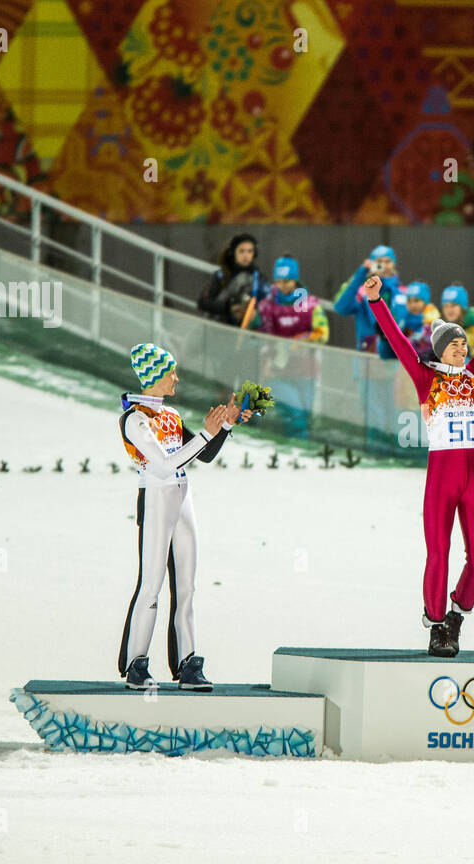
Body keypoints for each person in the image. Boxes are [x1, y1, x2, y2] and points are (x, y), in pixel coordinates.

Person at [365, 264, 474, 657]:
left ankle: (457, 614)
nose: (462, 348)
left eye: (464, 343)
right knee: (439, 553)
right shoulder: (425, 378)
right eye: (454, 343)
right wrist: (376, 302)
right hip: (442, 478)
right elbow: (399, 341)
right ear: (439, 348)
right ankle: (436, 624)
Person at [117, 343, 253, 690]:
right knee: (151, 584)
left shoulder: (170, 416)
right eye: (170, 372)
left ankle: (188, 662)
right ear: (153, 377)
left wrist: (224, 426)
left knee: (187, 586)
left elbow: (202, 455)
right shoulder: (134, 419)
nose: (176, 378)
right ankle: (136, 663)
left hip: (182, 496)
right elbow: (164, 464)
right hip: (157, 496)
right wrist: (208, 432)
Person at [252, 256, 328, 437]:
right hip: (278, 372)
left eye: (286, 281)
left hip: (306, 372)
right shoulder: (266, 305)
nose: (282, 285)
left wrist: (302, 339)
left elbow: (322, 333)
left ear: (295, 280)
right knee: (296, 415)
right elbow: (257, 330)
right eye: (278, 281)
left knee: (307, 420)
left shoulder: (310, 305)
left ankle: (303, 455)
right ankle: (294, 452)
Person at [335, 245, 403, 353]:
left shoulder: (402, 292)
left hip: (396, 353)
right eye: (379, 262)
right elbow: (341, 307)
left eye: (388, 262)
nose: (384, 266)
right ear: (372, 264)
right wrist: (361, 273)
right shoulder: (361, 291)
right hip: (368, 354)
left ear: (393, 265)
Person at [196, 232, 271, 325]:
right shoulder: (221, 275)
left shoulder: (259, 278)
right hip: (221, 326)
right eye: (241, 251)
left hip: (248, 328)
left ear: (254, 254)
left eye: (250, 251)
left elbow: (269, 304)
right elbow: (203, 302)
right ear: (233, 253)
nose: (246, 255)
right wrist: (229, 308)